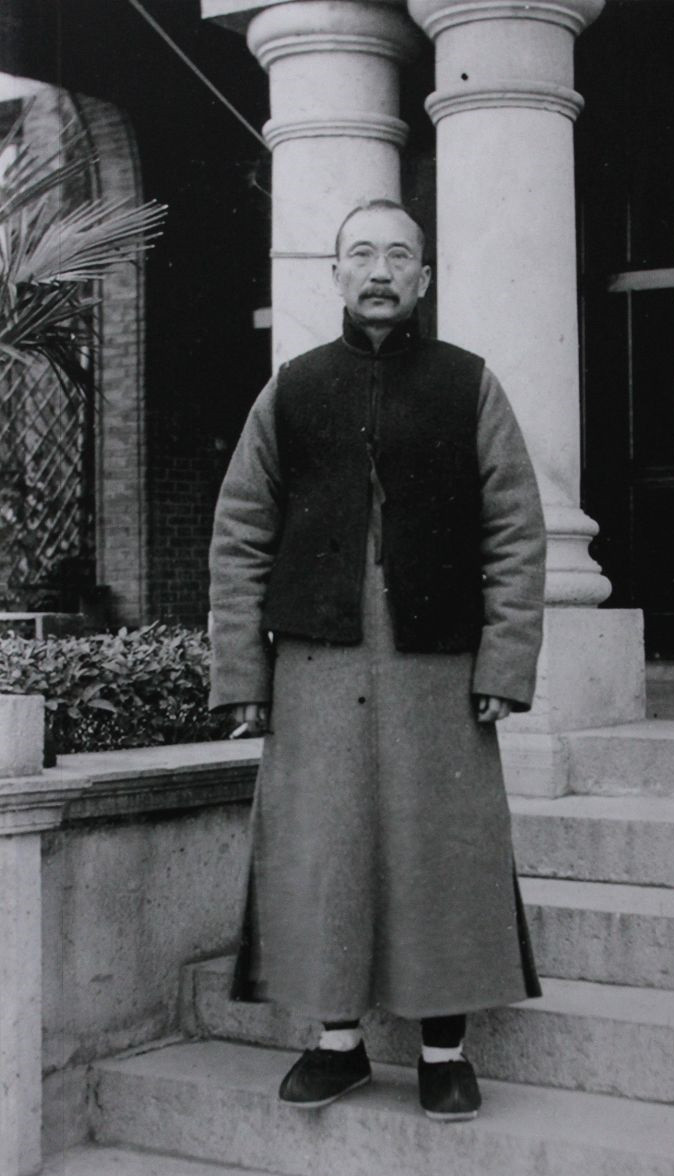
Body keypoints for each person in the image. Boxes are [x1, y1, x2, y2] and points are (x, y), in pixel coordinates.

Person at [208, 198, 546, 1122]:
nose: (381, 271)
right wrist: (241, 674)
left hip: (436, 669)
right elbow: (239, 532)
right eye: (362, 254)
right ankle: (338, 1046)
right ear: (336, 274)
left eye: (400, 255)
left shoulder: (469, 384)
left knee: (439, 853)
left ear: (425, 277)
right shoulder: (291, 387)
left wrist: (503, 665)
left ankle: (444, 1052)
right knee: (322, 853)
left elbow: (516, 529)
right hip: (315, 670)